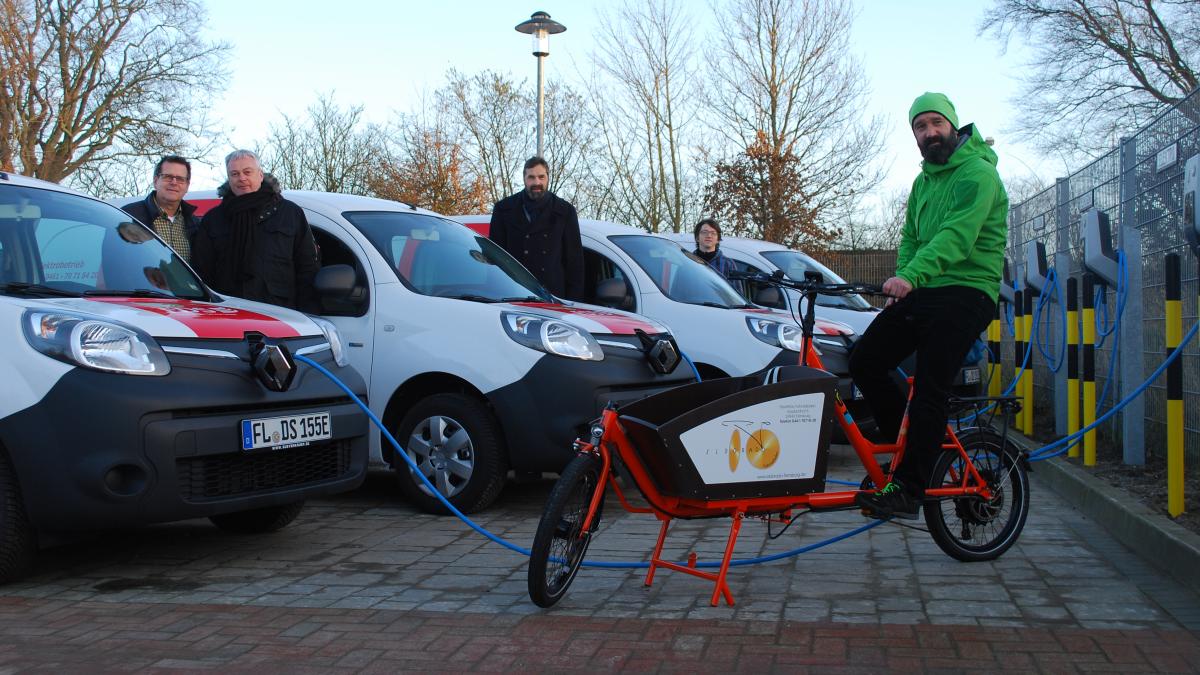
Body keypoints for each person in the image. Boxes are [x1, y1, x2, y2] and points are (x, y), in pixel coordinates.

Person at [850, 92, 1009, 520]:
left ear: (953, 125)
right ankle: (910, 458)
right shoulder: (923, 182)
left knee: (931, 386)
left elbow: (956, 238)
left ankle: (910, 488)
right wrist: (906, 279)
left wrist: (911, 277)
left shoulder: (978, 175)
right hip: (927, 291)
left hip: (968, 291)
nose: (929, 132)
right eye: (920, 127)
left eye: (936, 123)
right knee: (865, 359)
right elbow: (912, 238)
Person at [191, 150, 321, 312]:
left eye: (247, 172)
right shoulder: (213, 219)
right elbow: (202, 272)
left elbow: (307, 267)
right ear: (229, 178)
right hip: (228, 313)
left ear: (260, 175)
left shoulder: (290, 213)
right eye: (235, 174)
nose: (242, 178)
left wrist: (308, 313)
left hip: (281, 313)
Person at [489, 156, 583, 300]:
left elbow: (574, 263)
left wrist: (572, 303)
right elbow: (495, 258)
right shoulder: (504, 209)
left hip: (553, 298)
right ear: (524, 178)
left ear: (548, 178)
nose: (536, 182)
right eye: (531, 177)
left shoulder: (565, 211)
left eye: (541, 177)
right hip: (513, 294)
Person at [120, 155, 199, 263]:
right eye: (168, 177)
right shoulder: (129, 216)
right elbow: (115, 261)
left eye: (180, 179)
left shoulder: (196, 224)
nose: (174, 182)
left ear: (187, 186)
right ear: (156, 181)